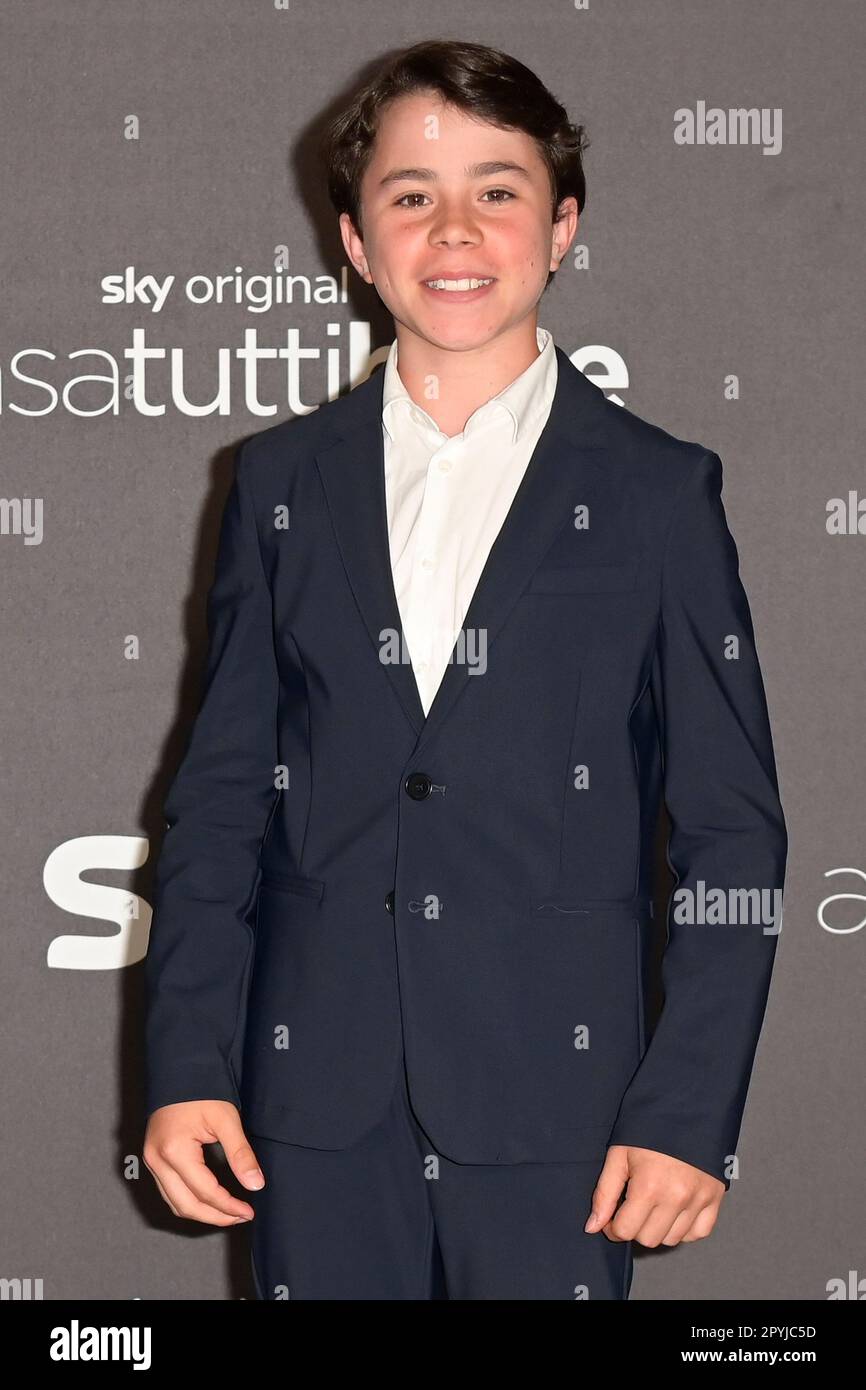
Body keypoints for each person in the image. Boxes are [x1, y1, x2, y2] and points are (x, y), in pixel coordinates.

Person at [143, 39, 787, 1300]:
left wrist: (687, 1105)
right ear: (352, 239)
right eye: (408, 195)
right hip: (313, 1117)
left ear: (560, 230)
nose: (453, 228)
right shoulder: (276, 484)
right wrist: (187, 1066)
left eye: (497, 190)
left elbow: (729, 830)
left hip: (564, 1115)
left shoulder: (657, 492)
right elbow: (220, 807)